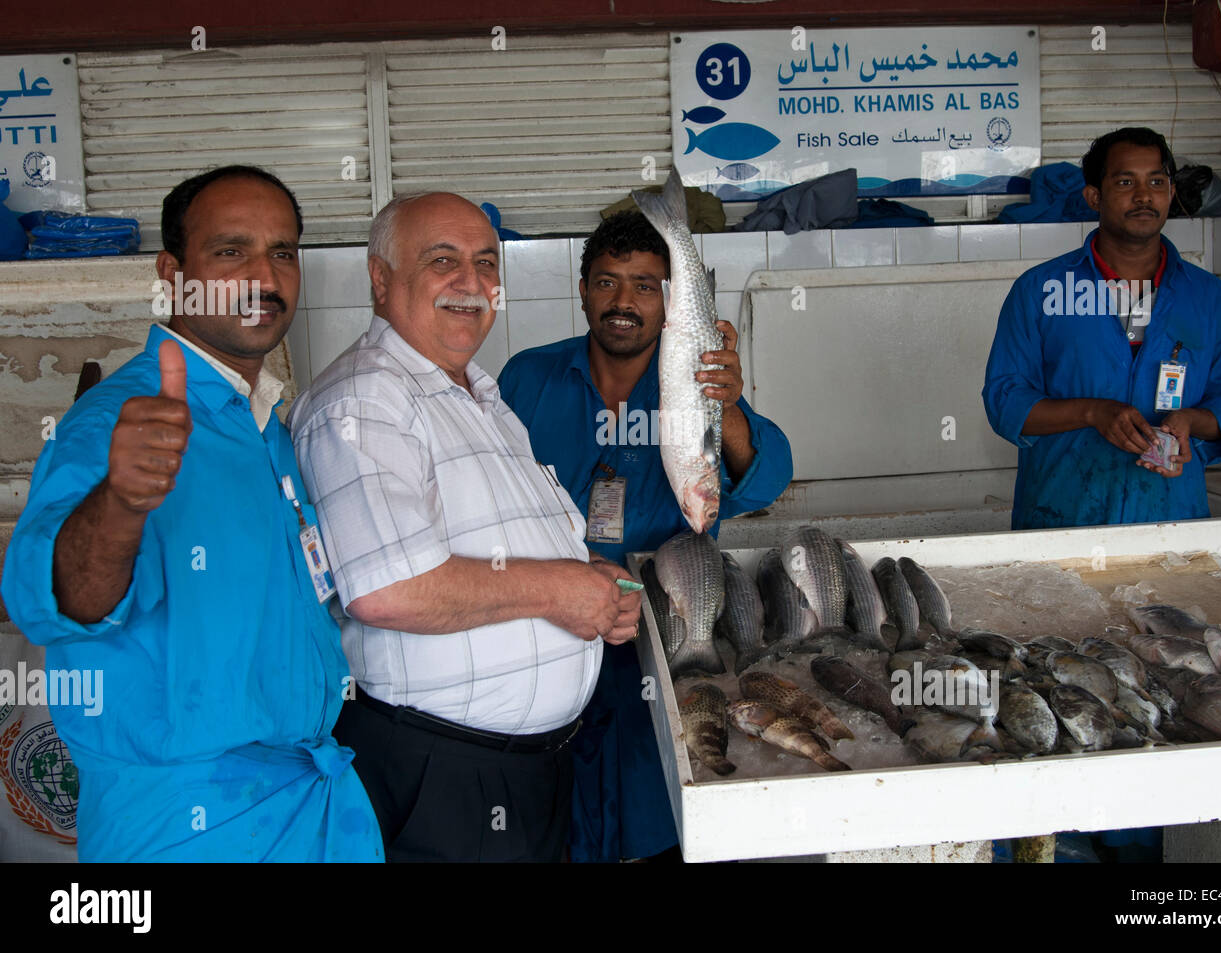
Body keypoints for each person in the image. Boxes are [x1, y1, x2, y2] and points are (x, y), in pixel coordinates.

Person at [0, 166, 383, 861]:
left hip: (306, 805)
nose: (264, 276)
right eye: (232, 251)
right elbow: (58, 602)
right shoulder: (115, 424)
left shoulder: (262, 420)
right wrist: (120, 502)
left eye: (284, 252)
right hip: (190, 828)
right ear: (173, 273)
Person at [288, 192, 642, 863]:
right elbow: (390, 588)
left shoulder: (478, 394)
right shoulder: (364, 398)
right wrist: (560, 592)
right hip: (440, 776)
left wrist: (591, 584)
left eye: (485, 262)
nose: (472, 282)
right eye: (442, 260)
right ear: (381, 278)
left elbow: (501, 545)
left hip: (523, 771)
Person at [497, 210, 794, 862]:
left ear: (670, 298)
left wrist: (731, 407)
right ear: (582, 291)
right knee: (558, 810)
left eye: (645, 284)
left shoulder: (696, 380)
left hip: (670, 629)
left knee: (661, 802)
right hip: (552, 631)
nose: (624, 301)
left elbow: (767, 477)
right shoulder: (528, 379)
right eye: (607, 282)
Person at [983, 127, 1221, 530]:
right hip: (1062, 515)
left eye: (1156, 181)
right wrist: (1092, 412)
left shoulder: (1208, 298)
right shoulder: (1041, 290)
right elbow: (1004, 401)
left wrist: (1190, 422)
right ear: (1094, 196)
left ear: (1170, 192)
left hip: (1170, 519)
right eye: (1125, 181)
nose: (1144, 195)